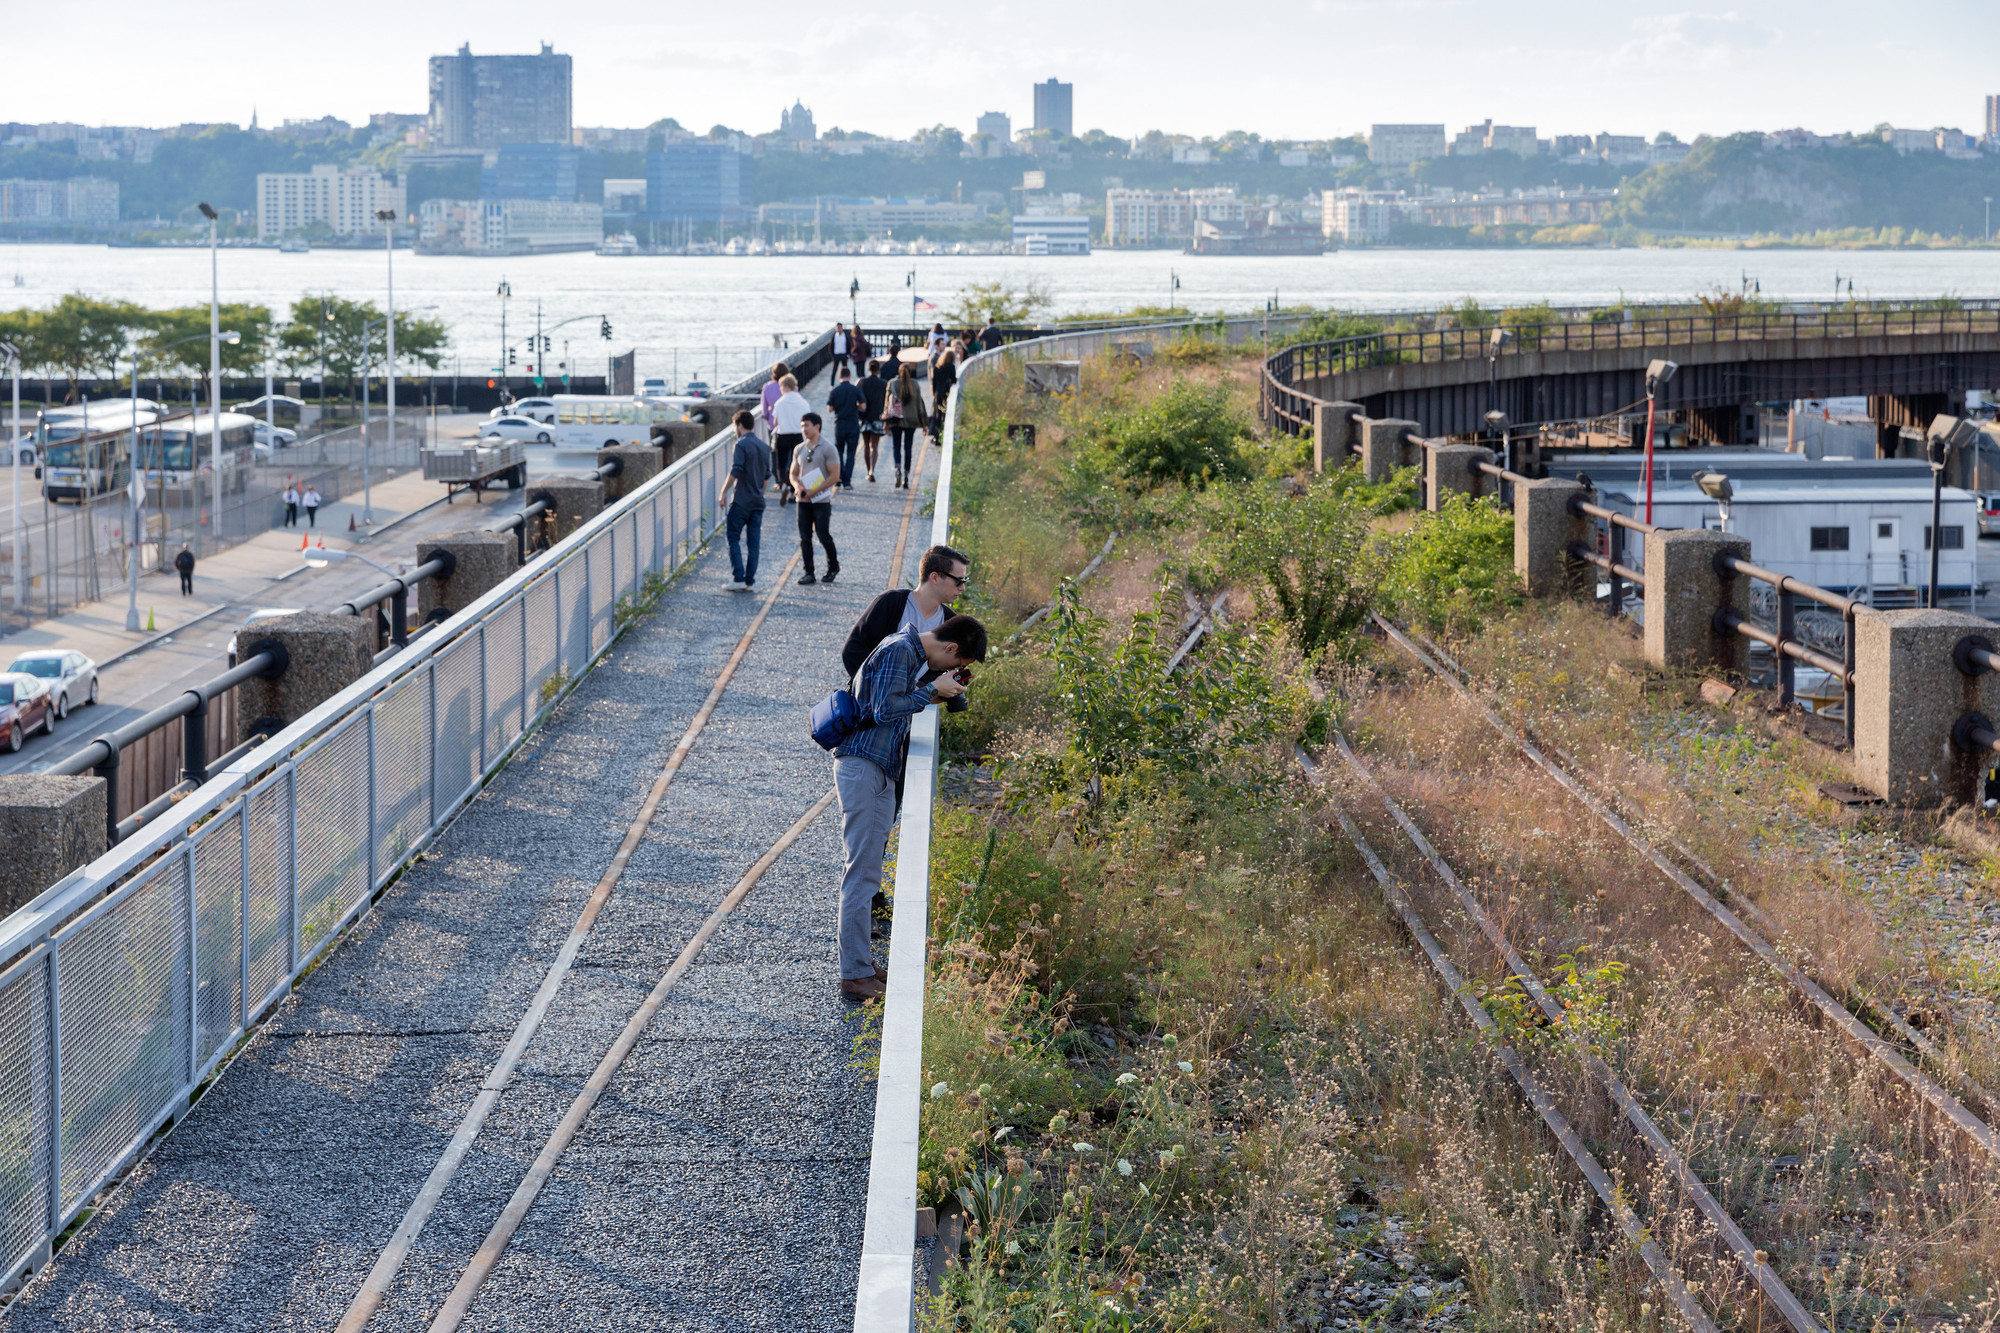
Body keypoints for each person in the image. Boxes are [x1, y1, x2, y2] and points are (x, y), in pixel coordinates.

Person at [832, 614, 986, 998]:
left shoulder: (908, 651)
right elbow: (884, 709)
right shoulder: (901, 649)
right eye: (956, 664)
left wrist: (933, 694)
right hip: (864, 766)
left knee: (868, 875)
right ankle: (854, 976)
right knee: (861, 876)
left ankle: (861, 965)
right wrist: (932, 687)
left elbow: (892, 704)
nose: (950, 670)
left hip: (877, 768)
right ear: (951, 648)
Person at [840, 545, 969, 677]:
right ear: (935, 577)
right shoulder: (891, 602)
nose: (963, 588)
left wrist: (926, 686)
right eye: (959, 581)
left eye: (965, 581)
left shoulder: (951, 623)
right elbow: (853, 650)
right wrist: (875, 683)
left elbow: (949, 669)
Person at [716, 409, 772, 591]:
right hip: (757, 501)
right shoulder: (764, 446)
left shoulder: (740, 445)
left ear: (739, 425)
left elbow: (736, 470)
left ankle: (738, 577)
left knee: (733, 537)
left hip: (741, 501)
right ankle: (749, 581)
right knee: (753, 543)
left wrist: (723, 492)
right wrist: (760, 493)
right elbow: (767, 476)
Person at [790, 412, 841, 586]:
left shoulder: (828, 448)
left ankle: (833, 567)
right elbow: (793, 473)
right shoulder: (799, 449)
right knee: (805, 537)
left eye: (807, 425)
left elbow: (834, 476)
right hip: (803, 501)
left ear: (817, 426)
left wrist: (814, 491)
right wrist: (797, 487)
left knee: (823, 535)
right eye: (802, 426)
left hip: (821, 501)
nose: (804, 429)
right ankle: (809, 572)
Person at [770, 373, 810, 505]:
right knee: (797, 464)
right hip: (798, 436)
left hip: (783, 435)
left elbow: (775, 422)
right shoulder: (803, 402)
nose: (780, 390)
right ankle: (793, 493)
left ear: (786, 386)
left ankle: (785, 484)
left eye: (781, 387)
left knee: (781, 464)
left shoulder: (780, 403)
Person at [826, 364, 865, 488]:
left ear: (839, 377)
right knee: (851, 453)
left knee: (839, 452)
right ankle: (847, 481)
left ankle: (839, 476)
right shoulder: (855, 390)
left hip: (839, 424)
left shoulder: (835, 391)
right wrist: (854, 405)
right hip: (853, 423)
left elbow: (829, 409)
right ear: (849, 376)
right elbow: (863, 407)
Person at [888, 363, 923, 489]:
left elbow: (887, 404)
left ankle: (898, 468)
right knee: (908, 448)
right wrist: (924, 424)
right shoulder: (915, 384)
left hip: (896, 419)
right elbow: (919, 405)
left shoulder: (893, 383)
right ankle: (906, 476)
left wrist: (886, 423)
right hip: (911, 420)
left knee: (896, 446)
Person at [858, 359, 888, 483]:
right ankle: (872, 470)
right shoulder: (884, 383)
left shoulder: (863, 382)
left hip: (865, 417)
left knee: (866, 445)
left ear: (868, 369)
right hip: (878, 417)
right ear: (878, 370)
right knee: (874, 446)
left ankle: (867, 470)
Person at [929, 348, 958, 437]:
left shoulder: (937, 367)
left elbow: (934, 382)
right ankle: (943, 434)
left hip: (938, 393)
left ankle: (936, 435)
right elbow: (953, 380)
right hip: (946, 393)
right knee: (945, 414)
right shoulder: (951, 367)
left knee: (938, 414)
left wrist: (934, 393)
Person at [760, 361, 791, 436]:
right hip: (789, 423)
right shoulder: (791, 387)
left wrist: (768, 417)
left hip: (773, 423)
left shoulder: (767, 387)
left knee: (774, 442)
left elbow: (764, 408)